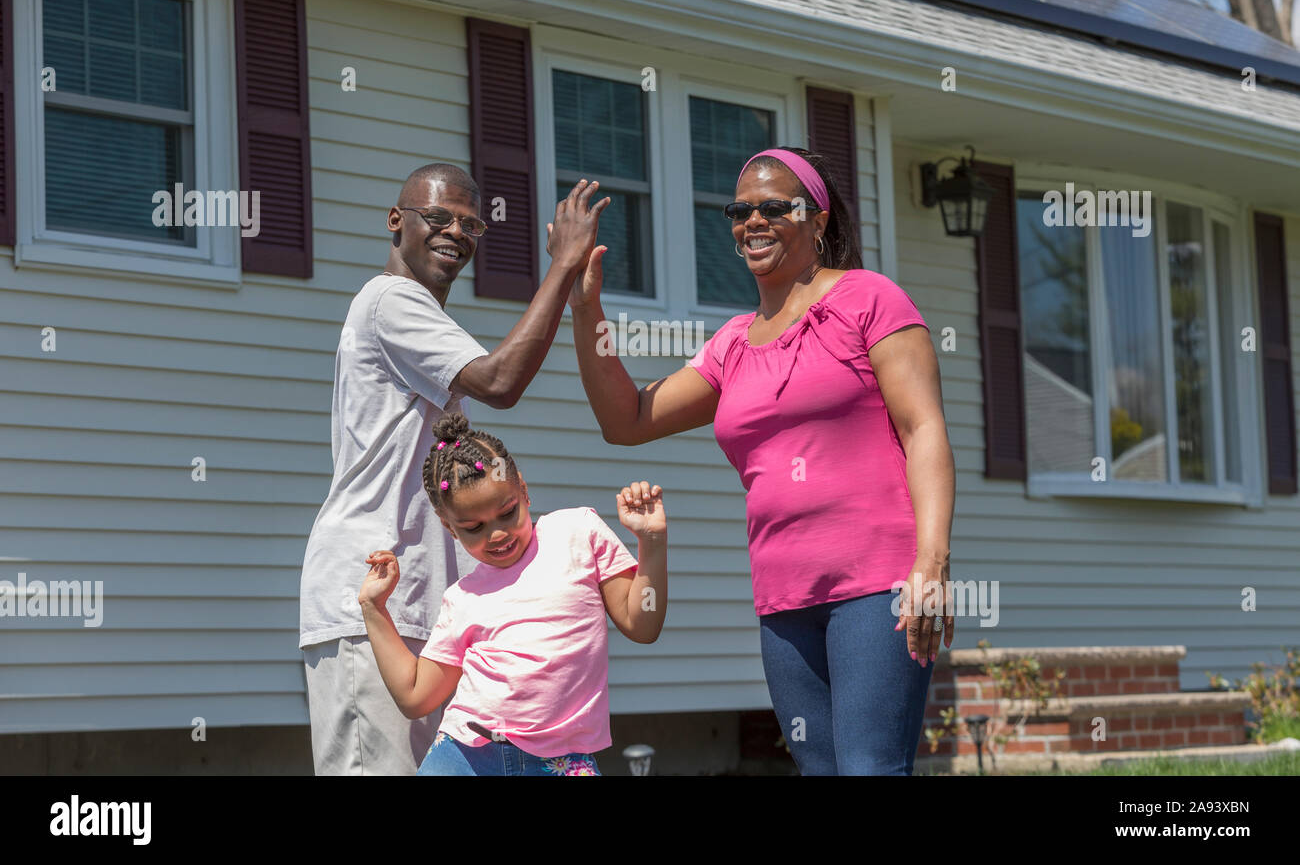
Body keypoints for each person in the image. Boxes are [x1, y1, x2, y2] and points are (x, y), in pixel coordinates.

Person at [566, 146, 957, 775]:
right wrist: (587, 309)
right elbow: (627, 420)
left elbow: (925, 429)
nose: (754, 221)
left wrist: (932, 562)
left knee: (869, 770)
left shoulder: (869, 300)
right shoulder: (733, 345)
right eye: (740, 210)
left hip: (879, 585)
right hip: (783, 600)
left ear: (818, 220)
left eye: (776, 207)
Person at [299, 165, 609, 775]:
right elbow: (500, 382)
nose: (456, 233)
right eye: (437, 218)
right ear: (396, 222)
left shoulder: (422, 321)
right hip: (377, 595)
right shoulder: (390, 301)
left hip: (426, 605)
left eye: (471, 225)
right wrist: (564, 265)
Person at [359, 412, 668, 775]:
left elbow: (642, 624)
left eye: (508, 513)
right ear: (450, 528)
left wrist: (652, 543)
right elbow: (415, 696)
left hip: (562, 760)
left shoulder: (577, 531)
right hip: (464, 755)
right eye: (473, 527)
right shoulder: (462, 597)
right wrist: (373, 606)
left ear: (522, 489)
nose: (497, 534)